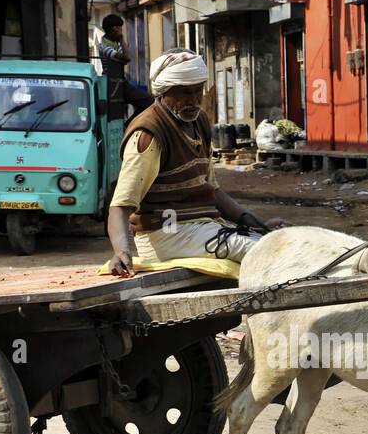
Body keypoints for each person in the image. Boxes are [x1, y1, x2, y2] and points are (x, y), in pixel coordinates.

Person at [106, 49, 287, 276]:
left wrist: (260, 225)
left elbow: (213, 192)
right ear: (164, 91)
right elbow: (120, 206)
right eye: (183, 93)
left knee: (279, 244)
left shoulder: (199, 122)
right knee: (263, 254)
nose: (193, 100)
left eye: (197, 91)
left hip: (203, 227)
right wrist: (122, 252)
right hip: (166, 235)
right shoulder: (150, 134)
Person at [97, 14, 152, 116]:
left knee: (148, 101)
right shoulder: (104, 47)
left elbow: (126, 59)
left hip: (120, 80)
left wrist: (121, 43)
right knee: (149, 102)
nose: (121, 31)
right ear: (114, 29)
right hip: (111, 82)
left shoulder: (114, 44)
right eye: (120, 29)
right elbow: (126, 58)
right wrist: (121, 39)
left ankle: (130, 124)